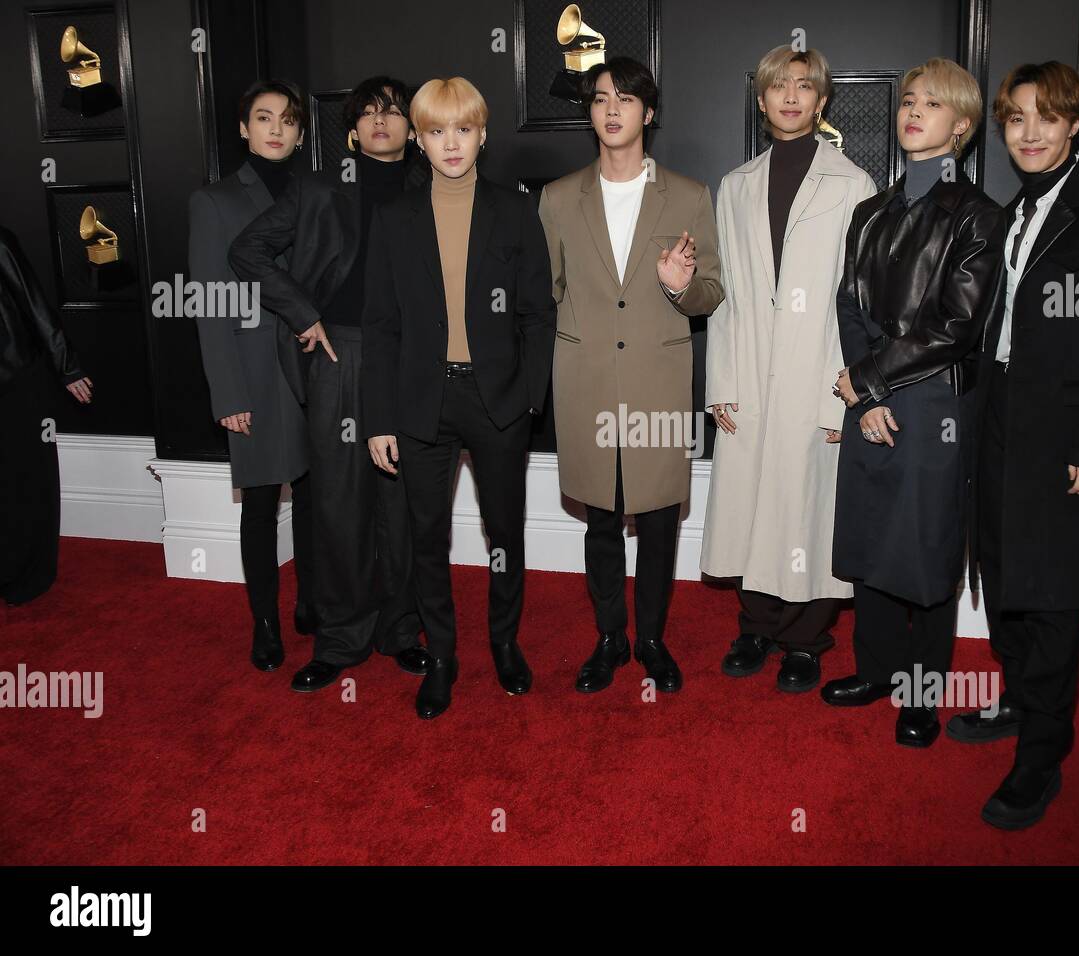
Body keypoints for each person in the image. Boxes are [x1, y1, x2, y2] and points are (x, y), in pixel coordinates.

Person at [947, 61, 1079, 830]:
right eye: (1016, 119)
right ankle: (1017, 700)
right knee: (1003, 574)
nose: (1029, 133)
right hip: (998, 418)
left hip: (1066, 435)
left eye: (1046, 117)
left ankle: (1042, 755)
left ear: (1075, 125)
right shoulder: (1010, 213)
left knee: (1050, 592)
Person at [363, 76, 555, 720]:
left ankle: (504, 643)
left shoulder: (515, 210)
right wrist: (379, 418)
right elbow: (381, 325)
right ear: (418, 139)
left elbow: (537, 313)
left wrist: (530, 396)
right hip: (419, 403)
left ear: (482, 134)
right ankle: (441, 656)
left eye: (464, 129)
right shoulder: (392, 220)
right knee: (427, 535)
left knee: (505, 531)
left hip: (497, 401)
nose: (452, 143)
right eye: (438, 130)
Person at [827, 58, 1005, 750]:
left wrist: (871, 379)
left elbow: (954, 326)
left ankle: (922, 693)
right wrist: (864, 391)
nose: (913, 111)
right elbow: (848, 304)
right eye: (908, 101)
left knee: (925, 554)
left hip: (933, 405)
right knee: (872, 543)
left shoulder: (979, 217)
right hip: (868, 395)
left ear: (960, 127)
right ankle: (875, 672)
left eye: (932, 104)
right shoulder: (870, 211)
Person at [230, 76, 427, 692]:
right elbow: (248, 251)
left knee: (402, 506)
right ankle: (341, 640)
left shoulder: (435, 186)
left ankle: (400, 631)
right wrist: (303, 312)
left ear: (412, 128)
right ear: (352, 127)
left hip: (408, 360)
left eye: (392, 112)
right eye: (368, 113)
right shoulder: (316, 188)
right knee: (340, 505)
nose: (379, 121)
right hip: (339, 352)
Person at [538, 56, 723, 695]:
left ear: (649, 113)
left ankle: (652, 640)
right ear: (589, 114)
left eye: (625, 99)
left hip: (658, 382)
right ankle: (610, 639)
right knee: (602, 519)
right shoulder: (559, 198)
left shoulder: (691, 195)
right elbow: (549, 292)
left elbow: (712, 293)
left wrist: (682, 288)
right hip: (586, 380)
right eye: (599, 99)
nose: (611, 109)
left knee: (659, 522)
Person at [702, 45, 875, 693]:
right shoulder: (736, 184)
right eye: (779, 86)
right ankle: (756, 626)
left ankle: (806, 636)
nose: (792, 97)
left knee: (807, 507)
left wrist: (844, 398)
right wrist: (721, 381)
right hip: (748, 369)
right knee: (752, 503)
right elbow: (724, 295)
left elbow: (860, 301)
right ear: (763, 98)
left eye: (805, 86)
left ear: (822, 100)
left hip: (818, 375)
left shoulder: (853, 184)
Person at [188, 79, 314, 672]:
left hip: (318, 365)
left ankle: (313, 604)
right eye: (263, 118)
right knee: (261, 505)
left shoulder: (319, 192)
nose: (275, 129)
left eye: (287, 120)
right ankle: (266, 623)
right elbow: (210, 304)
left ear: (299, 131)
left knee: (319, 499)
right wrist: (228, 394)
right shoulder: (213, 202)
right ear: (244, 128)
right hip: (255, 373)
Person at [0, 226, 92, 605]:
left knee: (27, 479)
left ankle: (29, 574)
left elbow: (32, 301)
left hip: (16, 377)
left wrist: (67, 366)